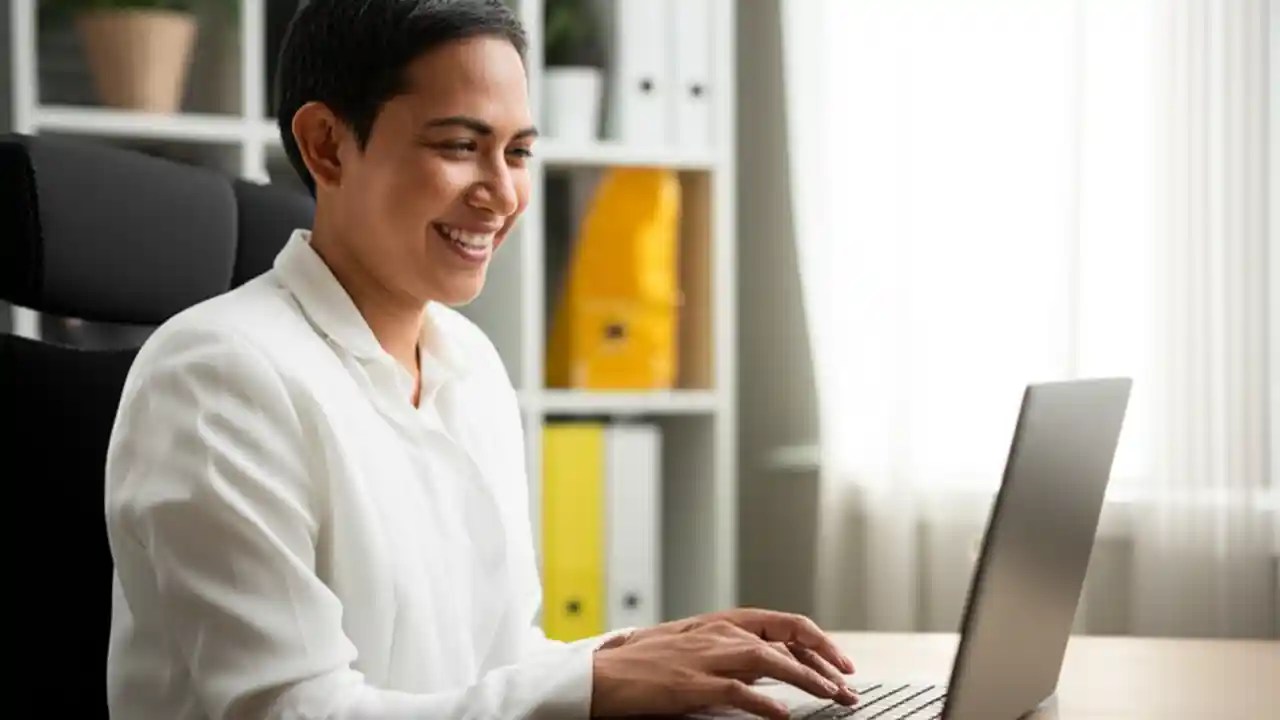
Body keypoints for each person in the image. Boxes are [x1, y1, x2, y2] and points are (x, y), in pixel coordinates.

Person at [104, 1, 858, 717]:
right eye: (460, 146)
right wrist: (593, 684)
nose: (501, 194)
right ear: (327, 145)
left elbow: (489, 670)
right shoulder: (218, 374)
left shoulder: (467, 362)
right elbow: (294, 710)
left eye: (519, 151)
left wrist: (653, 656)